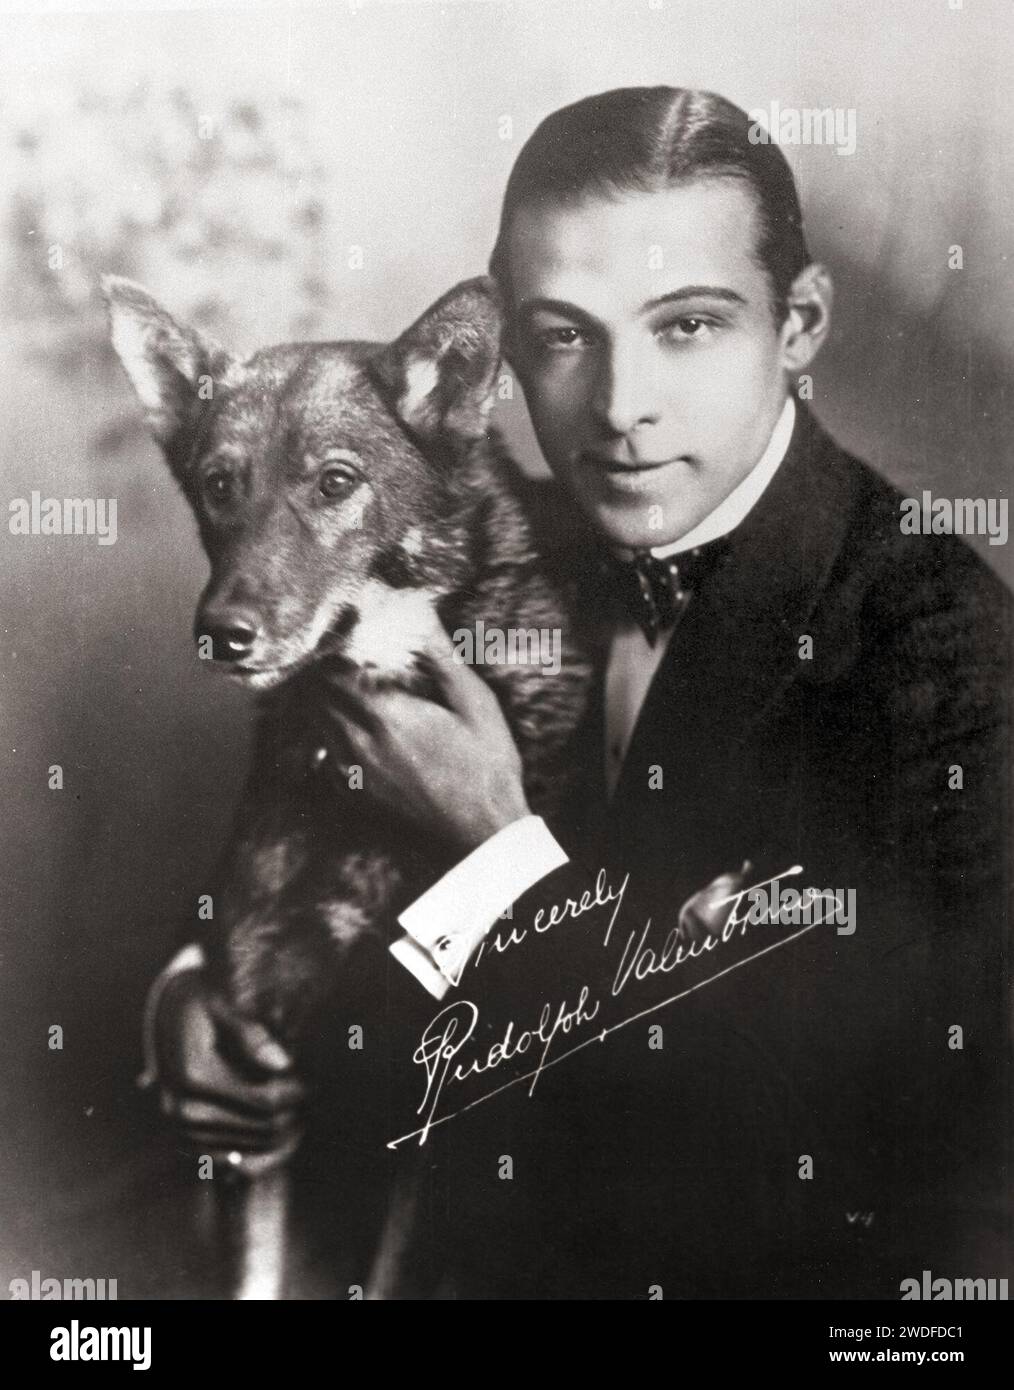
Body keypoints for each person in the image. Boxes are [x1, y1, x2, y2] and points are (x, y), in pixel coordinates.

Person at [146, 87, 1010, 1298]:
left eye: (689, 327)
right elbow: (304, 861)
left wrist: (495, 850)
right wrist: (201, 1000)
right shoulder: (467, 542)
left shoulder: (942, 650)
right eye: (562, 335)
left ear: (800, 323)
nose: (618, 407)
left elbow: (852, 1152)